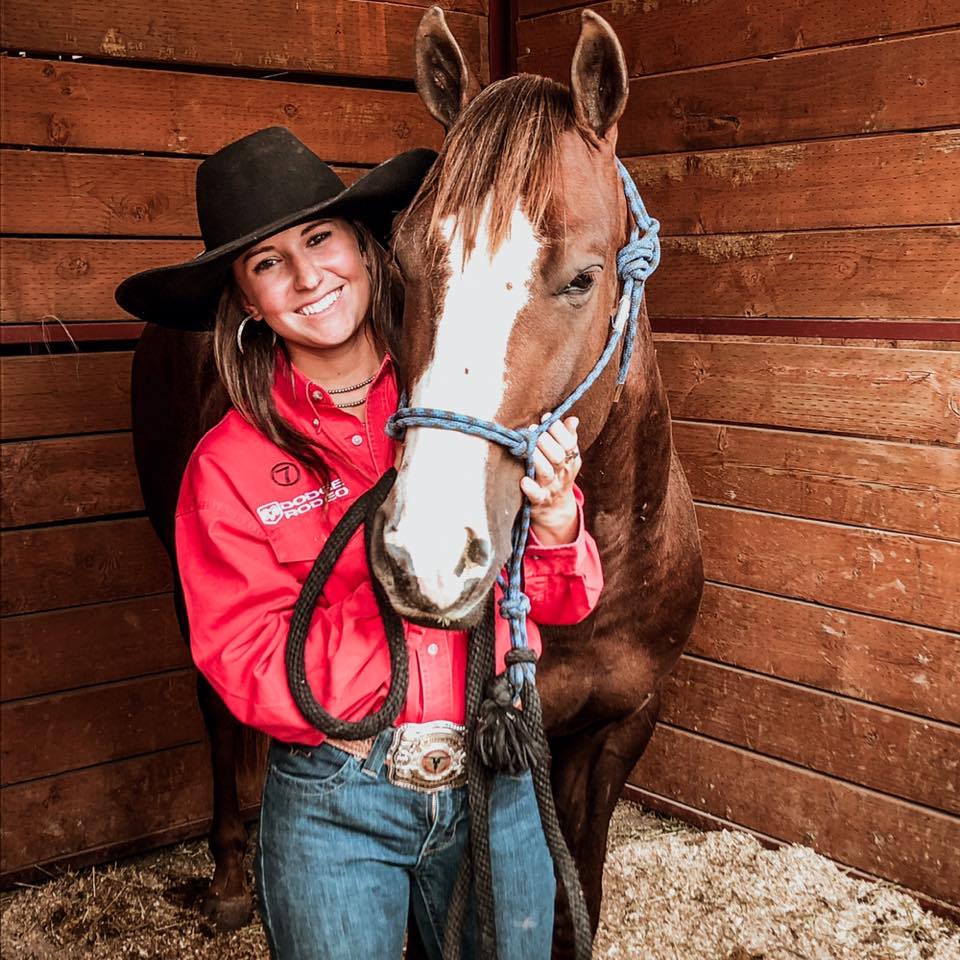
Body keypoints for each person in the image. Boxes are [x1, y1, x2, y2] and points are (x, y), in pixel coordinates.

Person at [116, 126, 603, 960]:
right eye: (268, 263)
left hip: (496, 771)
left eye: (320, 238)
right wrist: (413, 627)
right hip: (339, 794)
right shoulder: (227, 468)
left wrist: (558, 525)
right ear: (245, 298)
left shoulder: (461, 403)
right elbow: (242, 655)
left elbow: (558, 603)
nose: (307, 277)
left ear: (365, 249)